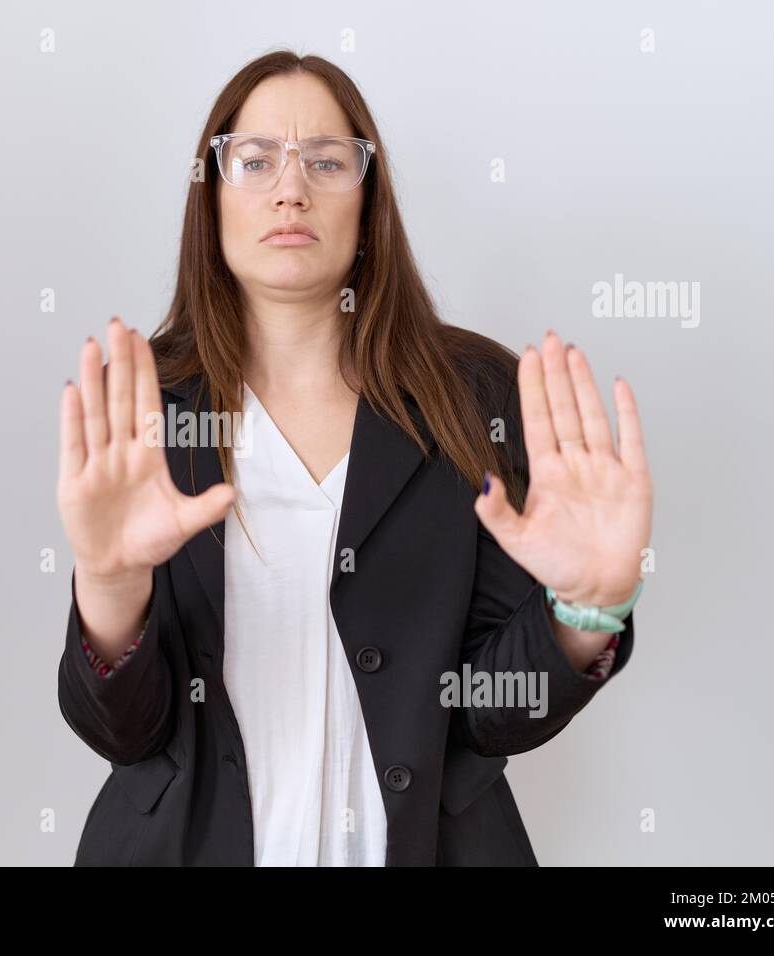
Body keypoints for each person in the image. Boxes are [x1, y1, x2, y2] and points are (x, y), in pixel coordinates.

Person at [55, 50, 653, 866]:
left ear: (369, 204)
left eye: (328, 161)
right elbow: (127, 733)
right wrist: (113, 589)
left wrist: (584, 613)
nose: (290, 187)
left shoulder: (472, 394)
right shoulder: (146, 403)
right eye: (255, 159)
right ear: (213, 198)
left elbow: (488, 715)